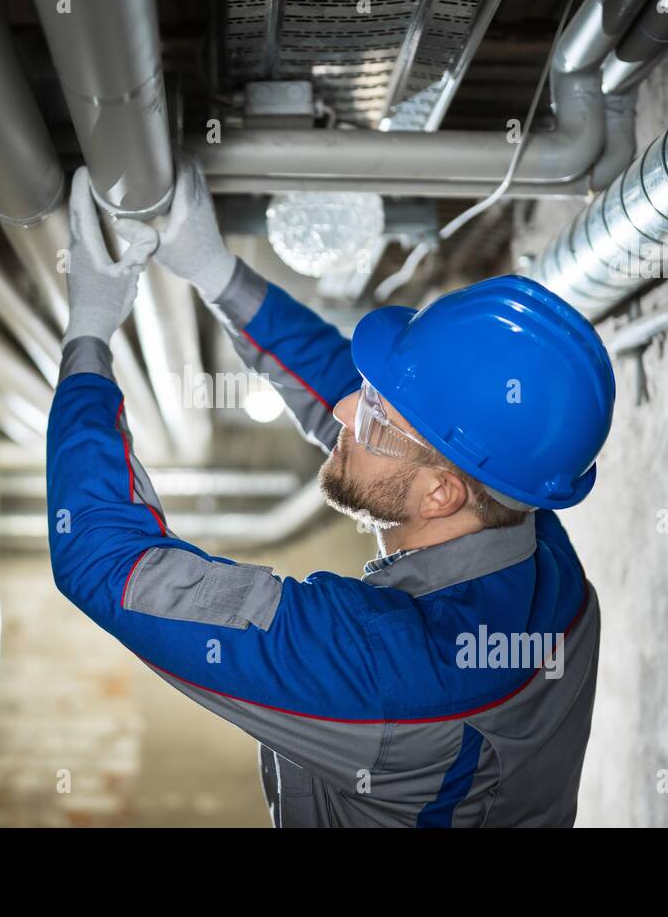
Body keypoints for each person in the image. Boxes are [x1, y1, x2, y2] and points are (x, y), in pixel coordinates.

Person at [46, 154, 615, 827]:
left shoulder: (386, 675)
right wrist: (216, 273)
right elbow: (365, 413)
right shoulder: (533, 537)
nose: (347, 411)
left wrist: (87, 336)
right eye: (370, 398)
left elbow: (106, 564)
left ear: (441, 496)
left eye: (373, 416)